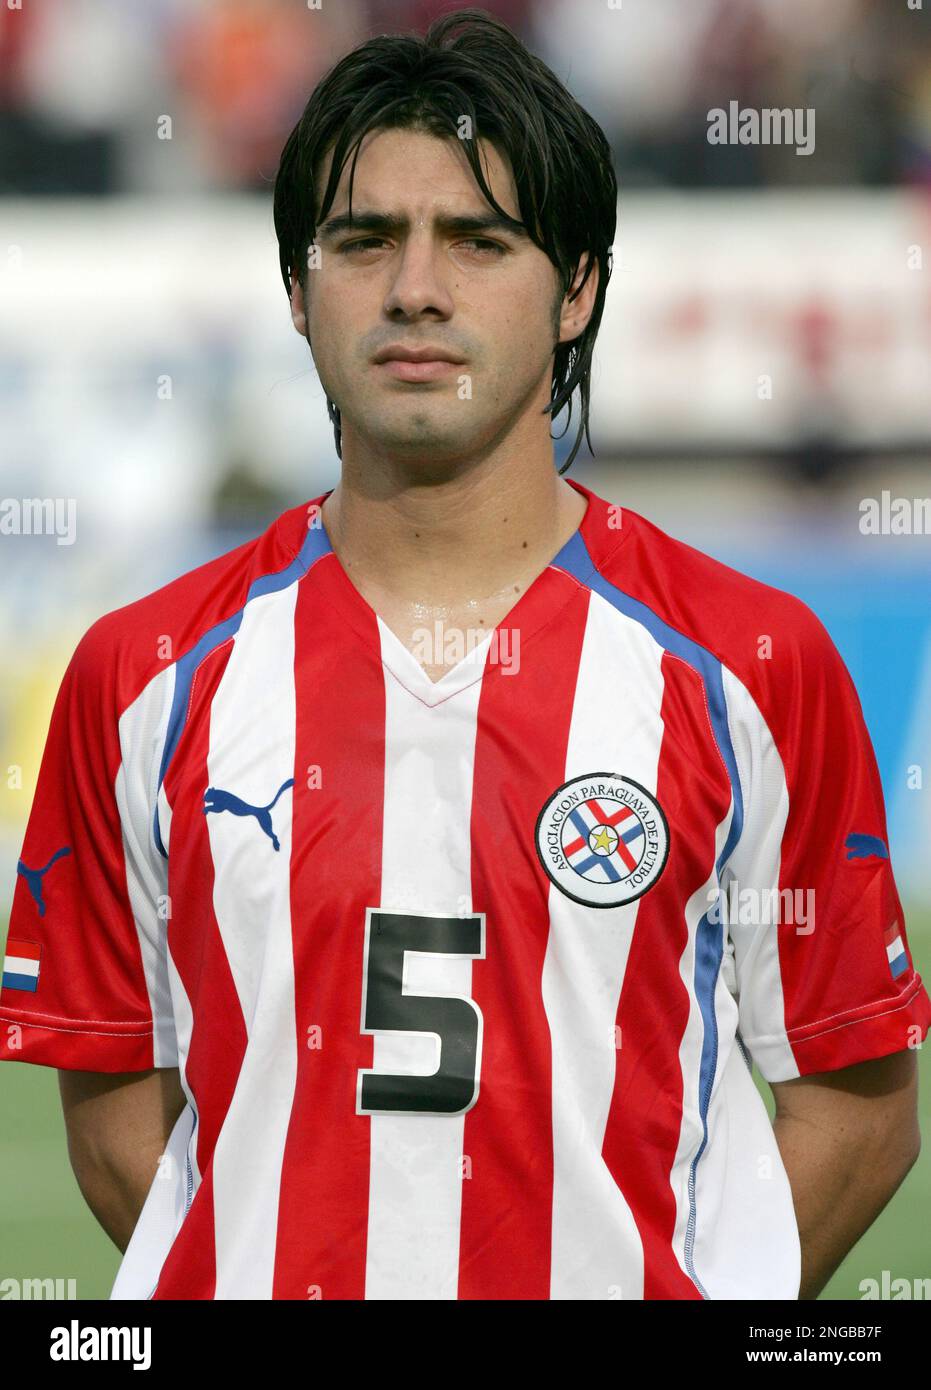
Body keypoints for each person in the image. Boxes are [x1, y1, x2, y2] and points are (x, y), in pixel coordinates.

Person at [1, 9, 928, 1301]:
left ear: (579, 287)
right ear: (297, 287)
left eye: (480, 242)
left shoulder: (752, 666)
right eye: (363, 239)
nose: (415, 287)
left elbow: (857, 1100)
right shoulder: (138, 676)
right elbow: (115, 1119)